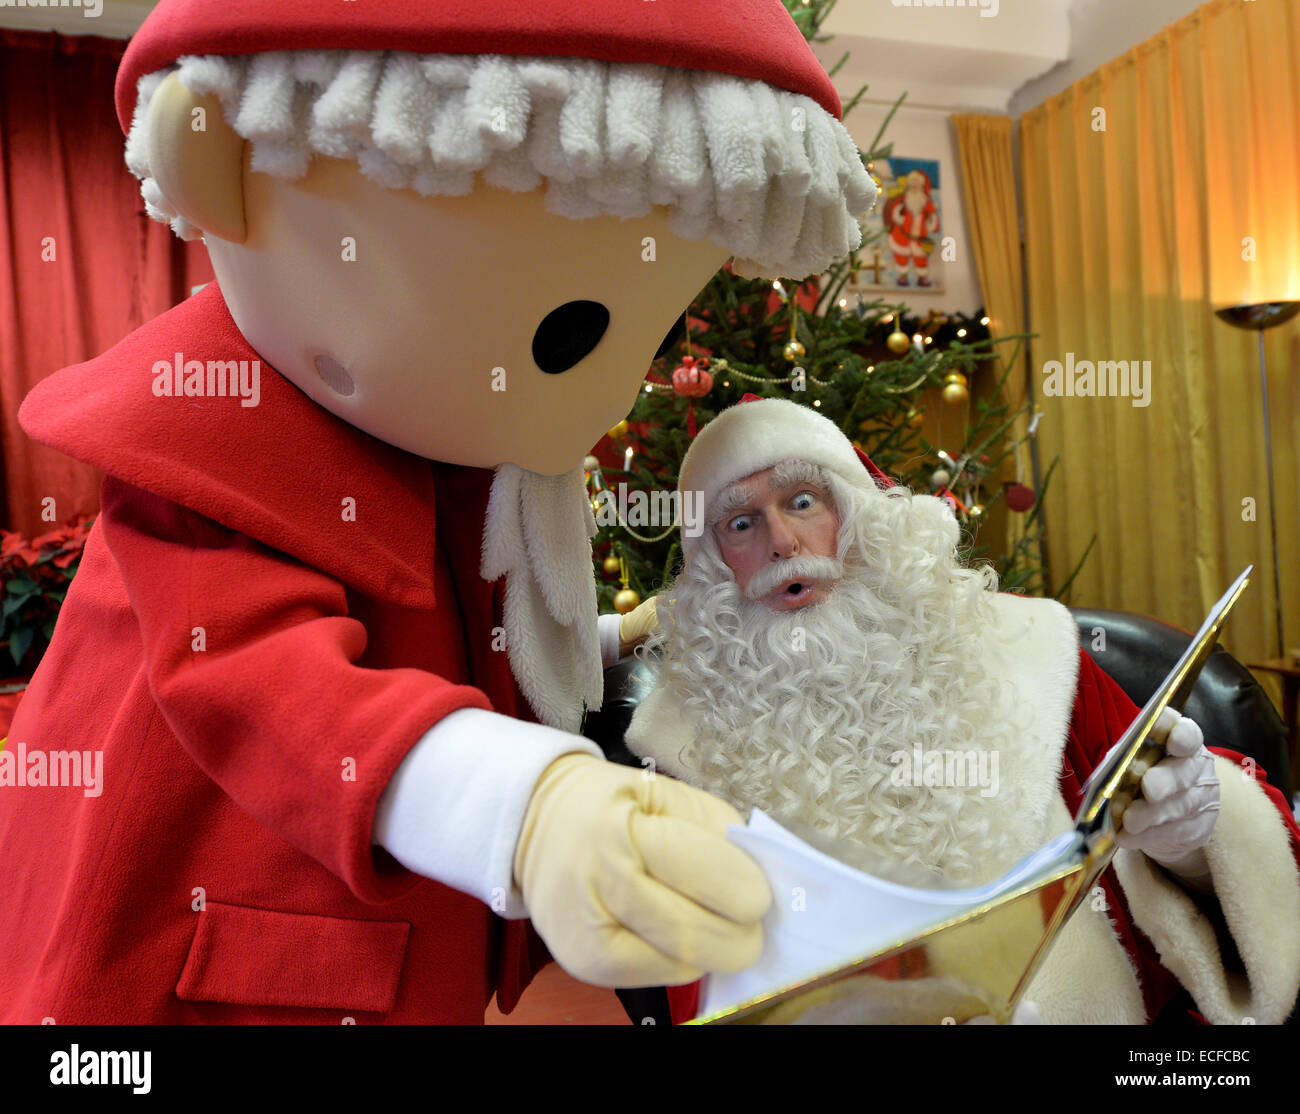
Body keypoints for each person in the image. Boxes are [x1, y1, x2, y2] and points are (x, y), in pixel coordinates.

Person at [0, 1, 877, 1023]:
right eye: (570, 337)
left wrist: (604, 637)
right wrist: (521, 804)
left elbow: (448, 632)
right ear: (220, 163)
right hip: (190, 959)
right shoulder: (207, 451)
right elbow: (271, 681)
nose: (604, 395)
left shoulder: (456, 459)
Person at [627, 397, 1300, 1024]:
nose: (781, 542)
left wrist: (1190, 836)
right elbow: (700, 978)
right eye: (741, 523)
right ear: (715, 563)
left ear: (857, 512)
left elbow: (1153, 807)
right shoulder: (682, 748)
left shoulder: (1034, 649)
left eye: (803, 502)